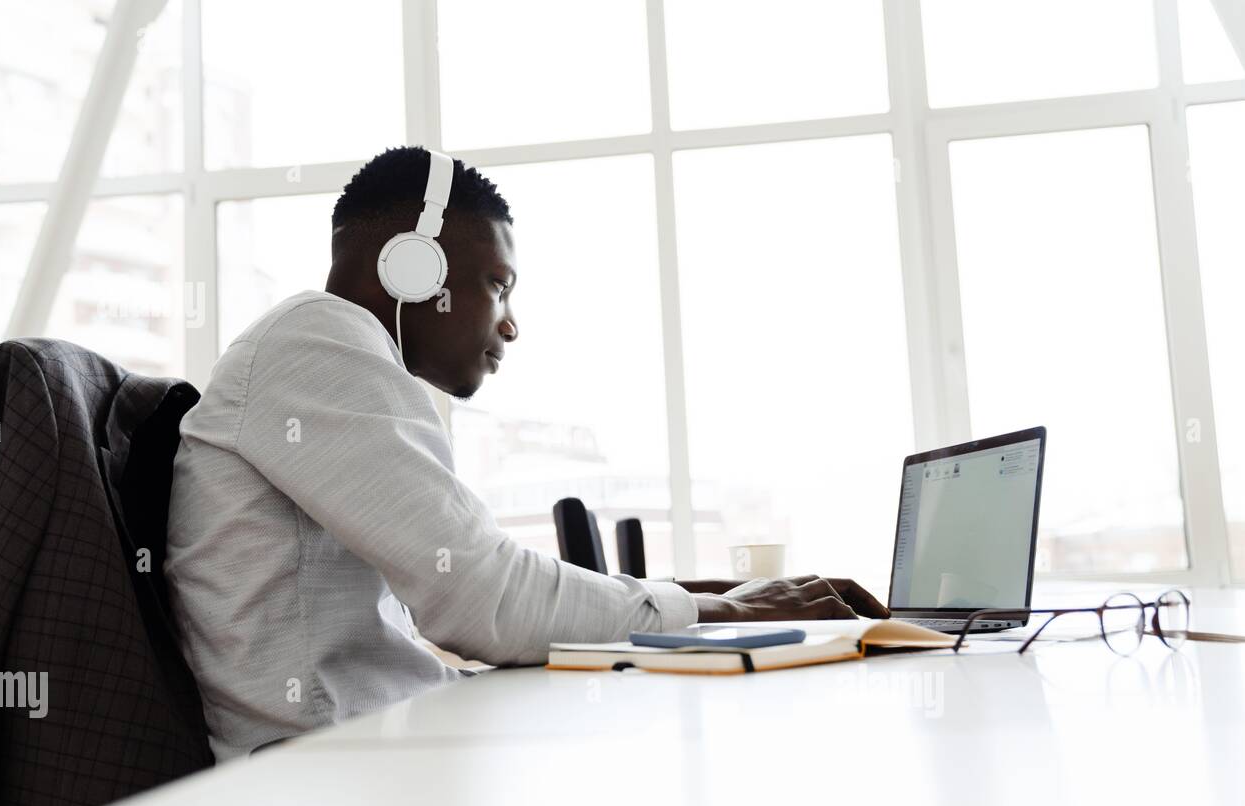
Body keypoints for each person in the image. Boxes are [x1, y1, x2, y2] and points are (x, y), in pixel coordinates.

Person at [164, 146, 887, 760]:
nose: (509, 325)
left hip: (375, 752)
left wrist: (702, 599)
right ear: (412, 263)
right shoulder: (316, 342)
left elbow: (481, 582)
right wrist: (717, 613)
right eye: (497, 285)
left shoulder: (335, 356)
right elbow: (483, 599)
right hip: (329, 786)